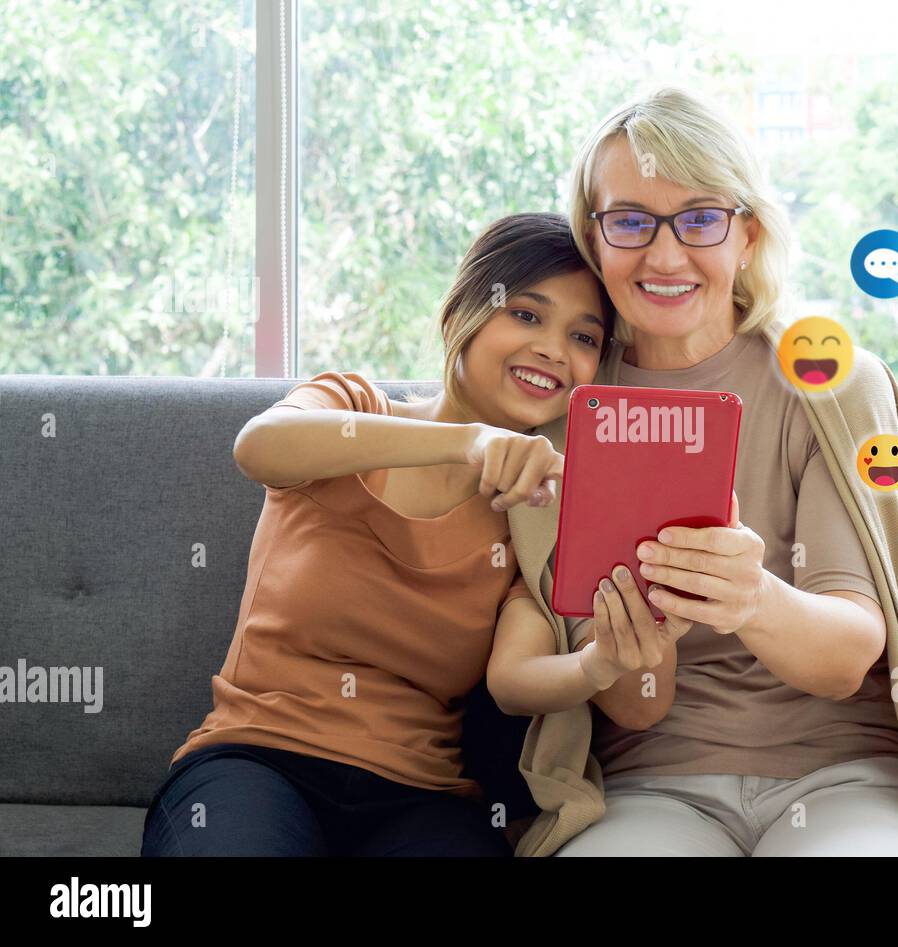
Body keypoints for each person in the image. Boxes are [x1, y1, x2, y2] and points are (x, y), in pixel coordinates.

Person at [546, 86, 898, 856]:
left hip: (846, 777)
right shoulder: (567, 407)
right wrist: (640, 644)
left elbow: (842, 661)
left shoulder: (831, 385)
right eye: (630, 221)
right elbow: (633, 709)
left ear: (748, 234)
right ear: (594, 237)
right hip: (652, 785)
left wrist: (752, 597)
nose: (665, 256)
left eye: (699, 218)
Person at [140, 212, 616, 856]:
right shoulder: (352, 408)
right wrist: (466, 443)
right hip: (258, 760)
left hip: (422, 797)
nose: (555, 350)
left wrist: (598, 664)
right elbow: (259, 447)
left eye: (583, 337)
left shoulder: (532, 512)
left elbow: (514, 677)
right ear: (461, 318)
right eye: (527, 316)